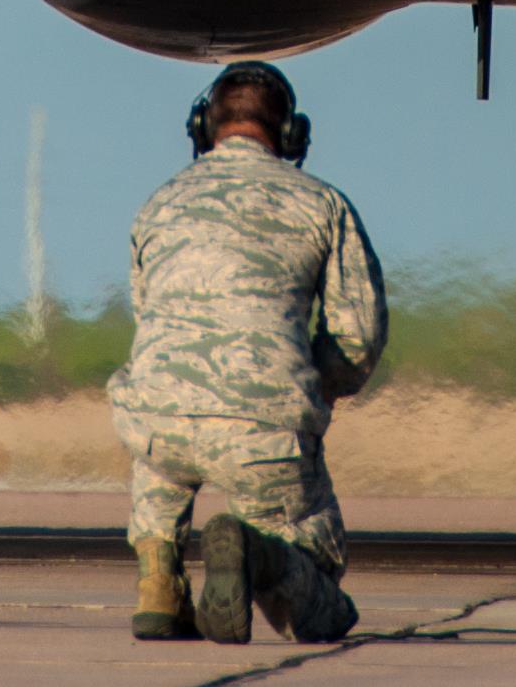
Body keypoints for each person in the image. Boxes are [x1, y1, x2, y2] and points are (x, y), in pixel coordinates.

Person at [109, 60, 388, 645]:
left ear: (203, 128)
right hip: (265, 432)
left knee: (158, 441)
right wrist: (312, 385)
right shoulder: (322, 205)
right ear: (291, 135)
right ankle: (257, 557)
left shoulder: (157, 203)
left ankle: (158, 579)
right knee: (322, 588)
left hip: (160, 421)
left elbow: (147, 315)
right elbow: (358, 337)